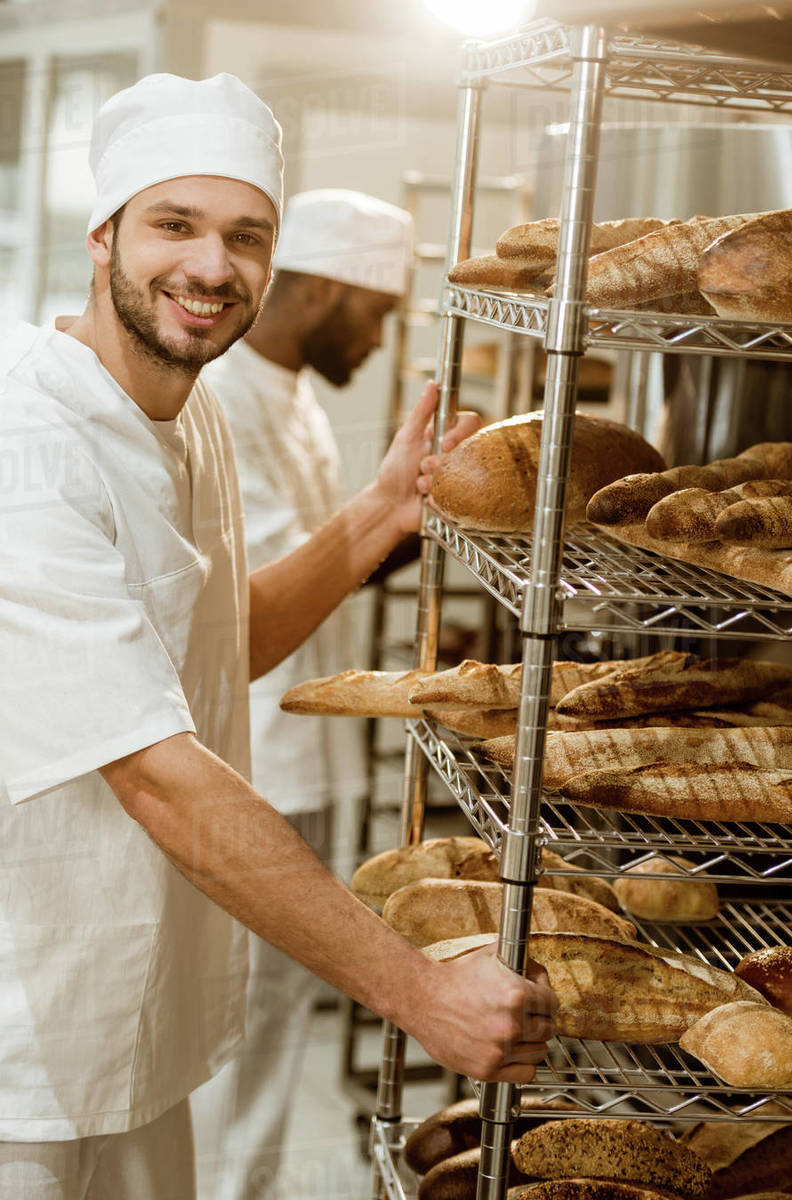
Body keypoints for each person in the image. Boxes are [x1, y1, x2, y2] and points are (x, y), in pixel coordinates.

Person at [0, 72, 557, 1199]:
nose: (211, 266)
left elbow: (220, 644)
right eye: (174, 225)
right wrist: (414, 991)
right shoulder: (28, 439)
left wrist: (378, 512)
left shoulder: (185, 407)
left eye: (244, 235)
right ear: (103, 232)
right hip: (23, 1040)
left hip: (130, 1024)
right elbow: (156, 774)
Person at [190, 190, 414, 1198]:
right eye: (374, 313)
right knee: (231, 1030)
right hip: (250, 768)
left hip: (304, 762)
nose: (376, 341)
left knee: (269, 1024)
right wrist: (400, 516)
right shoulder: (215, 397)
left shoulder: (297, 398)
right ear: (323, 289)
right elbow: (276, 586)